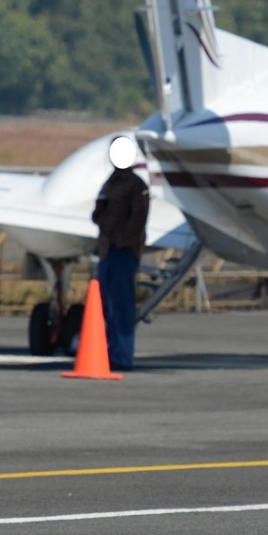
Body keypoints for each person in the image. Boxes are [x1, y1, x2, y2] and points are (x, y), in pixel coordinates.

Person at [92, 135, 150, 372]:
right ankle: (111, 350)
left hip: (124, 252)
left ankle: (123, 355)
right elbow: (97, 214)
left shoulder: (137, 186)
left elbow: (139, 218)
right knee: (106, 304)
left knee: (122, 305)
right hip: (107, 251)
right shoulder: (110, 182)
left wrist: (123, 240)